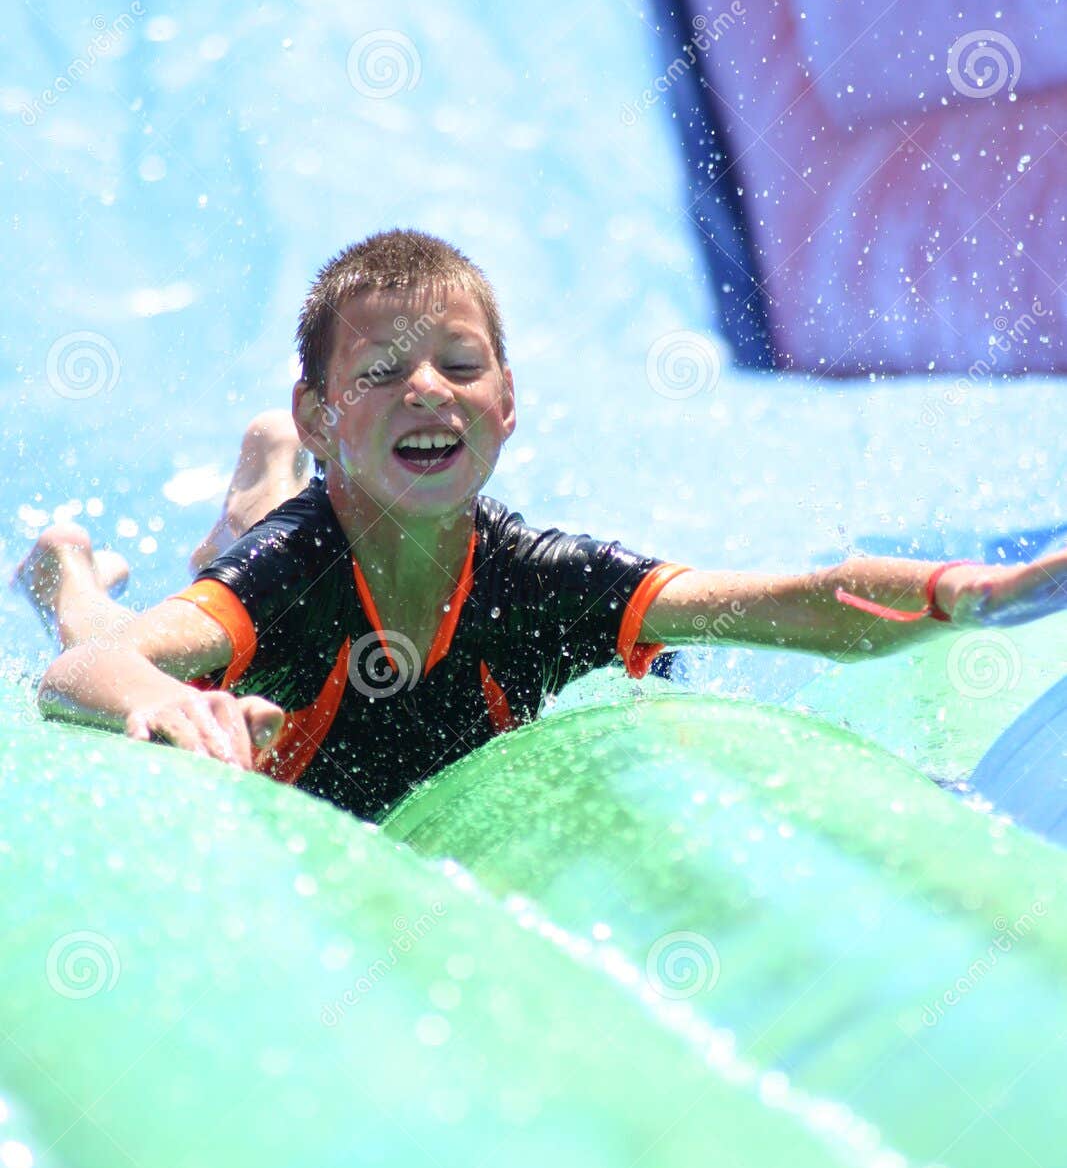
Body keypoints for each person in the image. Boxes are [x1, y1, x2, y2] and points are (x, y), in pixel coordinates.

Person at [23, 228, 1067, 821]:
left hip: (325, 497)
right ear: (324, 407)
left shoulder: (537, 576)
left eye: (459, 365)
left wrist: (971, 594)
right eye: (382, 371)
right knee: (173, 609)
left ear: (507, 403)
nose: (428, 387)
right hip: (287, 586)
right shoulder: (296, 573)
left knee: (269, 543)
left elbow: (788, 604)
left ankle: (271, 474)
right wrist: (167, 703)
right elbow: (80, 673)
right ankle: (68, 566)